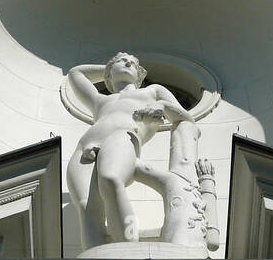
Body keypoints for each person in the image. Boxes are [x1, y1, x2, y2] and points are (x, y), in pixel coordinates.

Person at [64, 52, 192, 249]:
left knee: (111, 179)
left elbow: (185, 118)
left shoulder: (152, 92)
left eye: (132, 63)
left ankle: (129, 245)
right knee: (86, 207)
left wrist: (162, 106)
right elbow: (75, 74)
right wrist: (108, 68)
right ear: (109, 73)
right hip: (86, 147)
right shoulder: (100, 101)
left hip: (122, 137)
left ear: (139, 75)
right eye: (122, 62)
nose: (127, 63)